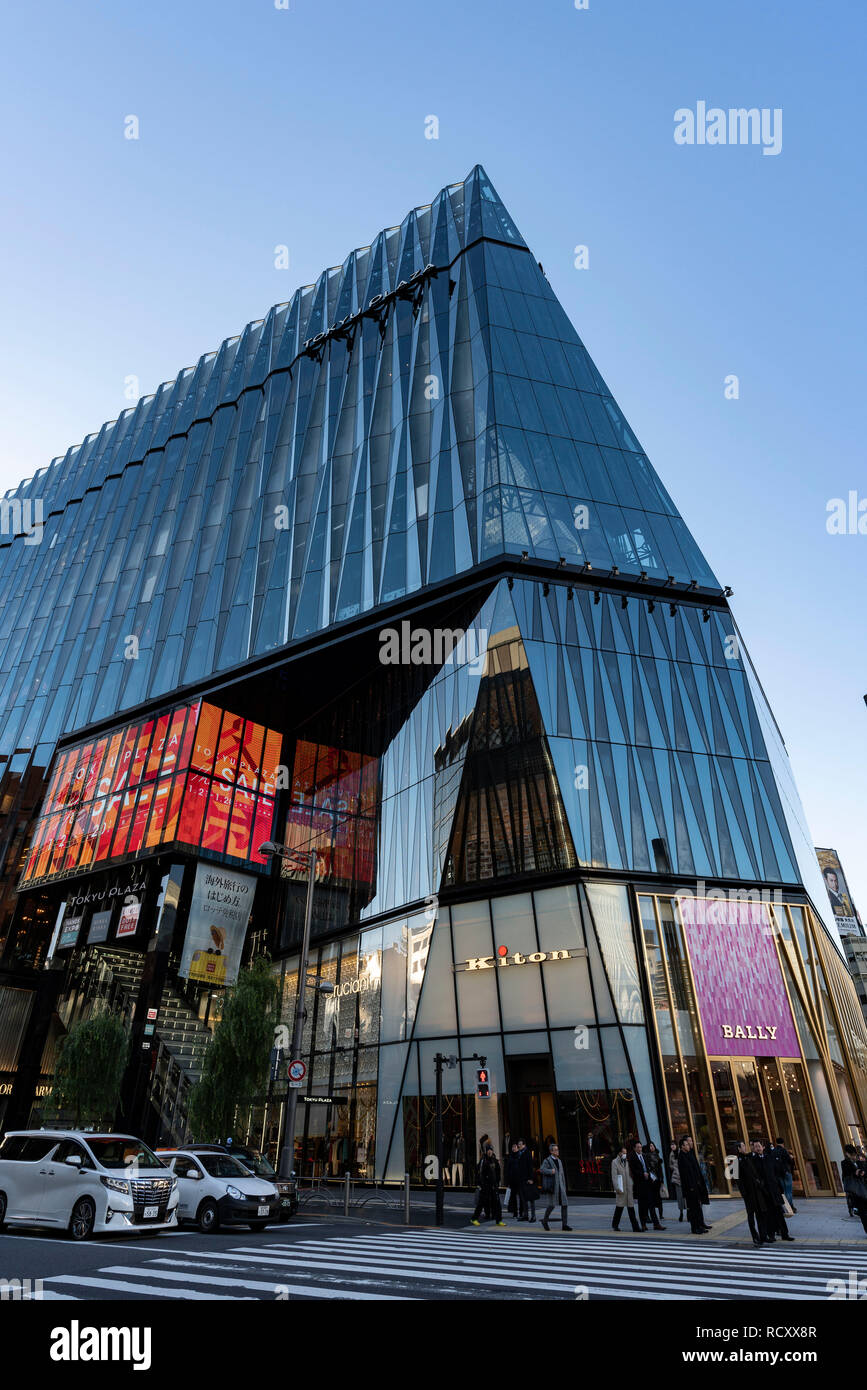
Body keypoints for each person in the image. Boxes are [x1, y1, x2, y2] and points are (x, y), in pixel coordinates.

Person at [755, 1139, 794, 1242]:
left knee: (779, 1213)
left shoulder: (769, 1158)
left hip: (775, 1189)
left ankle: (785, 1234)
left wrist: (779, 1186)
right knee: (770, 1214)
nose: (757, 1148)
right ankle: (771, 1235)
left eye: (759, 1146)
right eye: (755, 1147)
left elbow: (777, 1170)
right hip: (765, 1191)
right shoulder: (755, 1161)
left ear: (763, 1147)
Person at [734, 1141, 771, 1248]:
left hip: (757, 1190)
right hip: (748, 1193)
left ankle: (763, 1235)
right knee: (751, 1215)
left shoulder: (748, 1158)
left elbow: (755, 1173)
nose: (745, 1147)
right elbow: (738, 1180)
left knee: (760, 1213)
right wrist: (744, 1193)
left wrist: (760, 1183)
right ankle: (755, 1236)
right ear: (739, 1149)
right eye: (743, 1146)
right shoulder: (737, 1161)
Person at [628, 1140, 665, 1231]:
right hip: (640, 1184)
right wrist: (642, 1174)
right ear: (634, 1148)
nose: (640, 1149)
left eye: (640, 1147)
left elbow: (648, 1167)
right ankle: (643, 1224)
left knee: (651, 1204)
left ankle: (656, 1224)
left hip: (648, 1183)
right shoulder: (632, 1158)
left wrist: (650, 1175)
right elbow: (633, 1171)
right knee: (642, 1206)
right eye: (638, 1147)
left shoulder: (644, 1156)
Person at [678, 1136, 711, 1234]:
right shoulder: (681, 1157)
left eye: (689, 1143)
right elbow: (685, 1175)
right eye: (687, 1144)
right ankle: (695, 1227)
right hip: (690, 1188)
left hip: (695, 1185)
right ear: (682, 1146)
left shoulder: (688, 1154)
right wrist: (691, 1186)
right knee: (693, 1208)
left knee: (697, 1207)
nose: (689, 1145)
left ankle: (699, 1225)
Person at [471, 1144, 506, 1227]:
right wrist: (480, 1184)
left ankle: (499, 1220)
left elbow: (498, 1172)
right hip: (485, 1186)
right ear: (486, 1151)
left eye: (491, 1150)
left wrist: (497, 1183)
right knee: (481, 1203)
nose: (489, 1151)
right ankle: (474, 1219)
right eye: (488, 1150)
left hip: (494, 1186)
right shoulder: (483, 1160)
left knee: (497, 1204)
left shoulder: (494, 1160)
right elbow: (479, 1173)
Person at [540, 1142, 572, 1231]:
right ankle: (545, 1221)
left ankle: (564, 1225)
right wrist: (550, 1171)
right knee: (551, 1205)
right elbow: (542, 1170)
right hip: (552, 1187)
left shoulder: (559, 1161)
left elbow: (562, 1175)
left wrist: (565, 1187)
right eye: (556, 1150)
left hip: (561, 1187)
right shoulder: (547, 1160)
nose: (558, 1151)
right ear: (551, 1151)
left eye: (558, 1149)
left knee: (565, 1204)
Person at [611, 1143, 641, 1231]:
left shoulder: (627, 1161)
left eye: (626, 1153)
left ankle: (635, 1227)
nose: (625, 1154)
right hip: (621, 1188)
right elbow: (614, 1176)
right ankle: (615, 1225)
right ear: (619, 1153)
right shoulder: (614, 1162)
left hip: (628, 1188)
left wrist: (632, 1184)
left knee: (631, 1208)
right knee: (619, 1208)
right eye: (624, 1153)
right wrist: (617, 1188)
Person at [841, 1144, 867, 1235]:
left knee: (864, 1211)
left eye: (853, 1154)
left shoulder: (859, 1161)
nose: (853, 1156)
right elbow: (847, 1173)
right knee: (863, 1212)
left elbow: (864, 1171)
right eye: (850, 1154)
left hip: (863, 1188)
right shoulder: (845, 1162)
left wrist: (862, 1171)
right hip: (856, 1191)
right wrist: (857, 1172)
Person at [771, 1137, 797, 1213]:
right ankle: (790, 1207)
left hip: (778, 1174)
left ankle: (784, 1207)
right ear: (783, 1143)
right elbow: (789, 1161)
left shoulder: (774, 1151)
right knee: (788, 1191)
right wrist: (791, 1158)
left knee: (783, 1191)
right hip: (786, 1172)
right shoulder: (784, 1150)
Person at [645, 1140, 666, 1229]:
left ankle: (660, 1215)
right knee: (652, 1200)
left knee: (659, 1198)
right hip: (651, 1180)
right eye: (650, 1146)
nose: (652, 1147)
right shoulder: (647, 1156)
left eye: (653, 1145)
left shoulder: (657, 1155)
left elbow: (660, 1168)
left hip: (658, 1179)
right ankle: (652, 1217)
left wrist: (661, 1178)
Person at [514, 1137, 537, 1222]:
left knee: (531, 1198)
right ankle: (525, 1215)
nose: (519, 1146)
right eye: (518, 1144)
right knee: (523, 1198)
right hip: (521, 1179)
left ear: (524, 1145)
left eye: (520, 1144)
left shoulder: (527, 1153)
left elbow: (530, 1166)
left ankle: (533, 1216)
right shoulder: (519, 1153)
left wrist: (531, 1178)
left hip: (527, 1179)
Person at [668, 1139, 686, 1222]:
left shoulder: (681, 1152)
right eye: (671, 1145)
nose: (672, 1146)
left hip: (683, 1176)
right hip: (676, 1178)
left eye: (674, 1144)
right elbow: (670, 1165)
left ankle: (688, 1212)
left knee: (686, 1196)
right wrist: (675, 1169)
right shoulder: (671, 1154)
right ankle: (681, 1213)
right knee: (679, 1197)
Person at [503, 1142, 520, 1219]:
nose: (513, 1148)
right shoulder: (510, 1157)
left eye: (515, 1146)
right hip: (512, 1180)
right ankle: (515, 1213)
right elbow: (507, 1169)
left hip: (519, 1180)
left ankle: (522, 1212)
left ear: (518, 1148)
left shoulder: (520, 1156)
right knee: (513, 1198)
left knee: (521, 1197)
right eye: (512, 1147)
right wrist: (507, 1181)